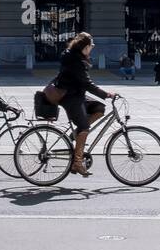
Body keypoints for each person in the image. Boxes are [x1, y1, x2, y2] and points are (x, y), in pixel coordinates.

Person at [48, 32, 116, 177]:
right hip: (70, 97)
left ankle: (77, 134)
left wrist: (103, 97)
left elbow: (83, 83)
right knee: (84, 126)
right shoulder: (76, 61)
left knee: (99, 108)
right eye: (91, 46)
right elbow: (86, 83)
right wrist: (106, 94)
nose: (92, 49)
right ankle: (77, 163)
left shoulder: (75, 56)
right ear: (85, 47)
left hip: (75, 94)